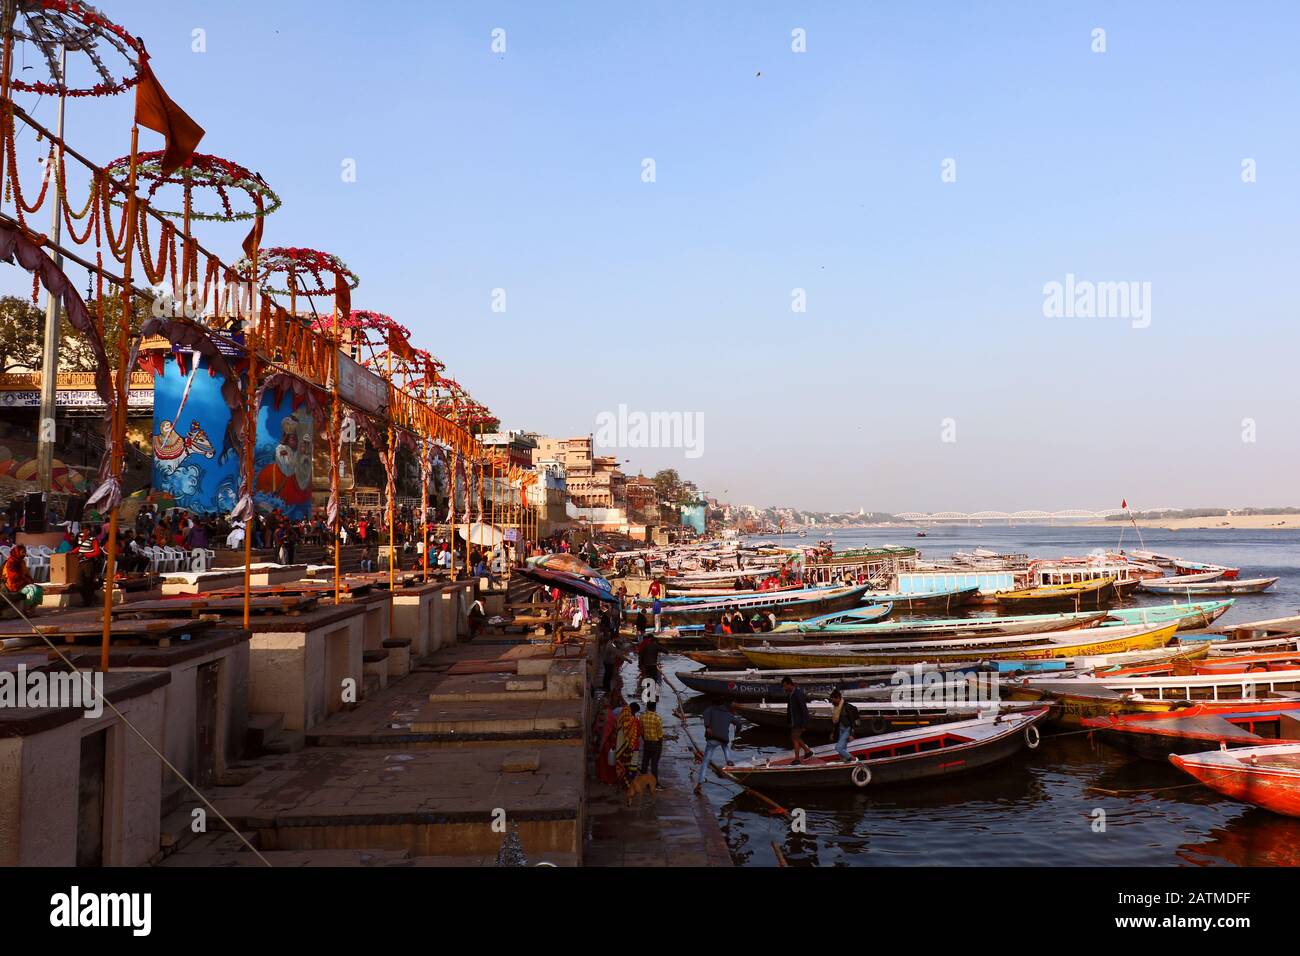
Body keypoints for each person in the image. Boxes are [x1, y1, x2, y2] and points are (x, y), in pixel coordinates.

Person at [695, 699, 745, 794]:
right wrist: (737, 732)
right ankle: (728, 761)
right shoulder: (728, 714)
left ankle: (700, 783)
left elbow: (705, 713)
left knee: (705, 762)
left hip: (712, 739)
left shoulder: (711, 709)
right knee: (725, 745)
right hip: (723, 739)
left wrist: (707, 726)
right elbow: (739, 723)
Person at [782, 677, 815, 764]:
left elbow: (803, 709)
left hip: (799, 722)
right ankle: (807, 751)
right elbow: (790, 709)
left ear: (789, 684)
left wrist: (804, 724)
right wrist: (789, 721)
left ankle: (797, 759)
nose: (784, 688)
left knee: (795, 738)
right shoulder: (791, 694)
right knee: (796, 738)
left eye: (785, 686)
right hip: (794, 722)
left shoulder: (798, 694)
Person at [1, 545, 41, 610]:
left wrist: (30, 581)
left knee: (38, 589)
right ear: (17, 552)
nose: (24, 554)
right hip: (11, 586)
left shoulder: (22, 562)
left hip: (22, 583)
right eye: (22, 552)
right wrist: (26, 581)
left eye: (25, 552)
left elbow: (27, 574)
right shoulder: (11, 563)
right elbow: (13, 578)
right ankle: (27, 610)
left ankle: (31, 609)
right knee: (32, 590)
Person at [614, 701, 642, 787]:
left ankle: (621, 781)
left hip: (620, 745)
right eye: (635, 712)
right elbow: (638, 734)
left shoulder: (622, 715)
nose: (635, 714)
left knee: (622, 764)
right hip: (631, 746)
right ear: (633, 710)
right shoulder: (634, 720)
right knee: (631, 766)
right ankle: (628, 784)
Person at [827, 690, 860, 763]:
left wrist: (852, 734)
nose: (832, 701)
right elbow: (836, 722)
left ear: (838, 698)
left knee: (838, 748)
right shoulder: (836, 707)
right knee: (843, 748)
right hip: (840, 729)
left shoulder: (847, 707)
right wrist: (833, 732)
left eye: (833, 699)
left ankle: (853, 759)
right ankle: (844, 761)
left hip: (847, 729)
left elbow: (852, 721)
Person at [640, 700, 664, 777]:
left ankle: (643, 780)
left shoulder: (642, 717)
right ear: (655, 707)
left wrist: (645, 739)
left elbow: (641, 731)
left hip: (646, 742)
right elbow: (660, 735)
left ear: (647, 707)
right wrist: (660, 745)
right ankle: (655, 783)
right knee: (654, 765)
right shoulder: (657, 718)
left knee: (645, 763)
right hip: (655, 744)